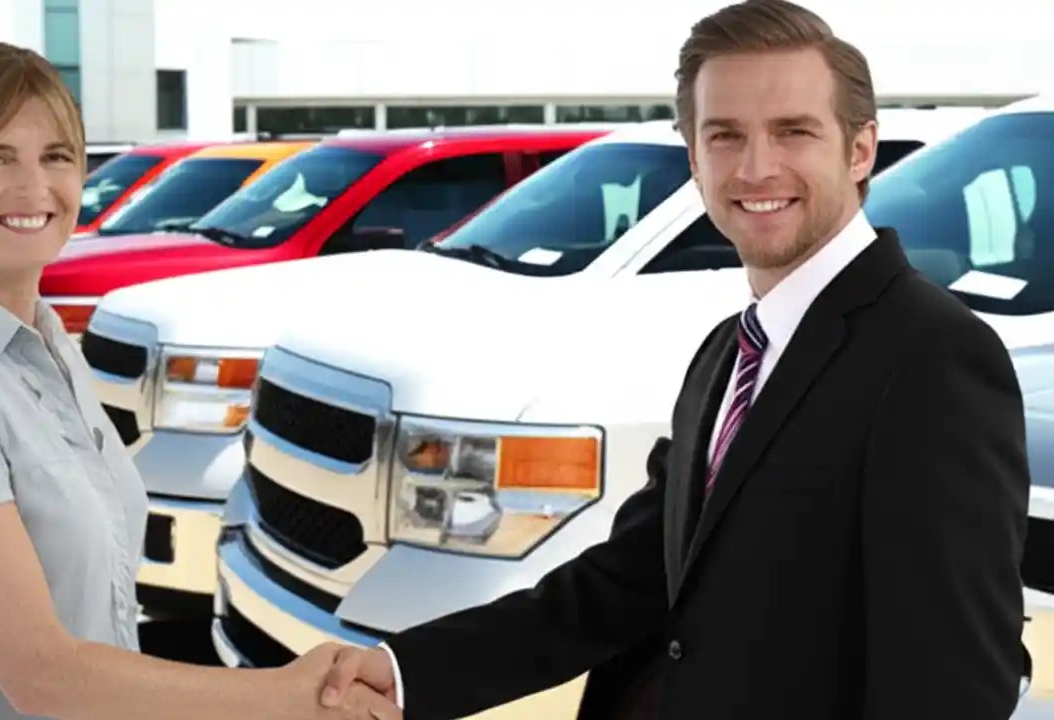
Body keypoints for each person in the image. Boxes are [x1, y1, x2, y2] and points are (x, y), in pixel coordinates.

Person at [318, 1, 1030, 718]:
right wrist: (404, 672)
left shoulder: (934, 359)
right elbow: (627, 580)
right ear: (693, 158)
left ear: (860, 149)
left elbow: (955, 687)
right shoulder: (728, 351)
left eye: (793, 131)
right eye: (725, 135)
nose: (756, 167)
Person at [0, 40, 398, 720]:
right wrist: (283, 696)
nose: (34, 187)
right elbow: (43, 677)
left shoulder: (47, 347)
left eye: (56, 156)